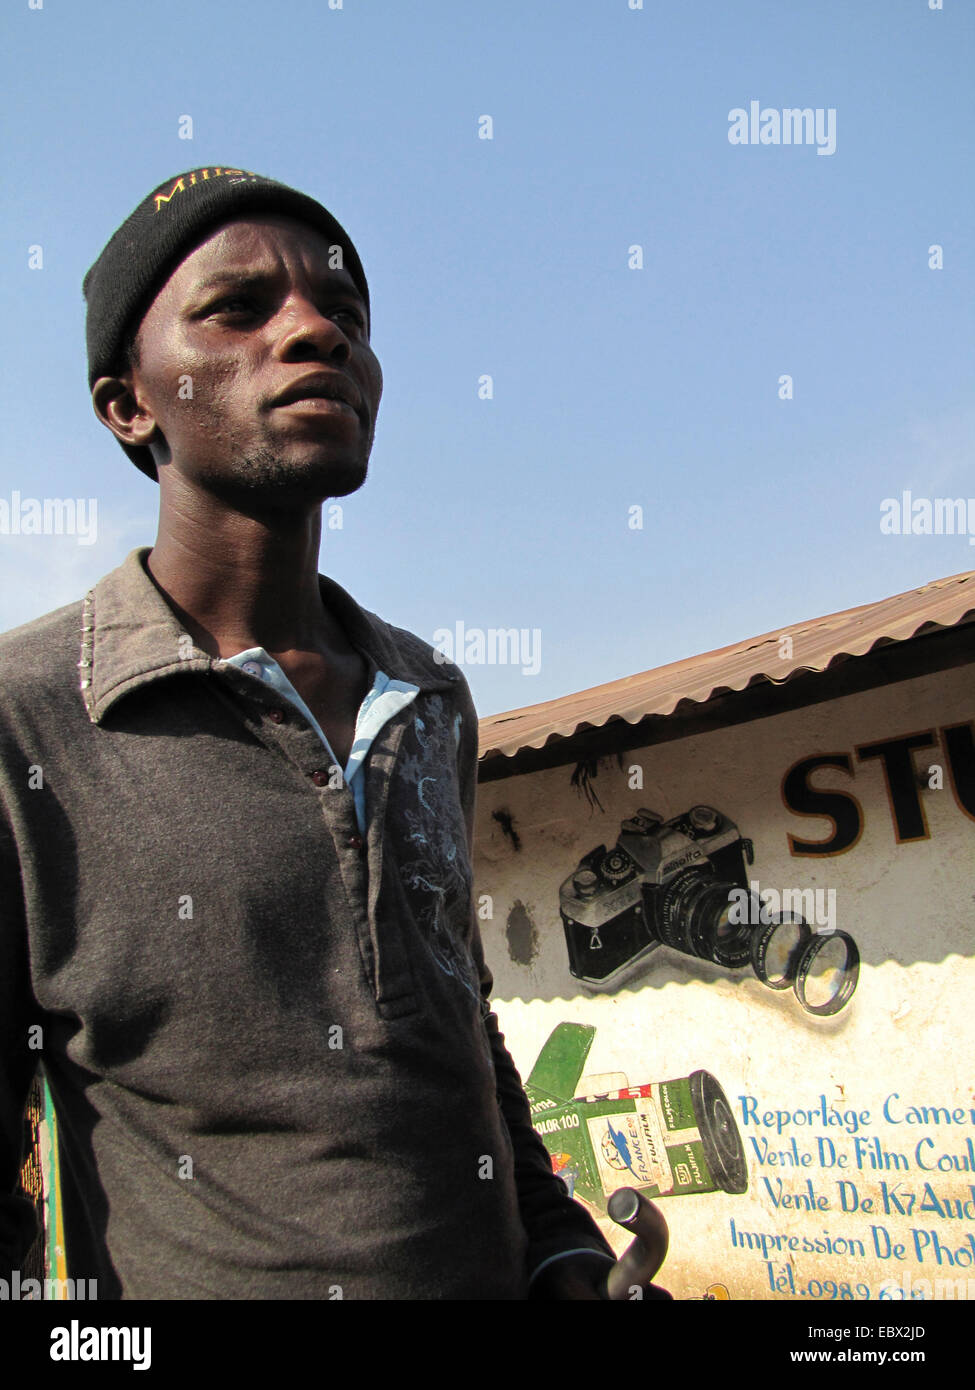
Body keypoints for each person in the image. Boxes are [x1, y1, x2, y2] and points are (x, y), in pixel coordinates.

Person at [0, 166, 625, 1299]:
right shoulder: (28, 717)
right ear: (127, 402)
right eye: (239, 309)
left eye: (345, 317)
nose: (315, 335)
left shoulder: (427, 698)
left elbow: (462, 1025)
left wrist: (562, 1244)